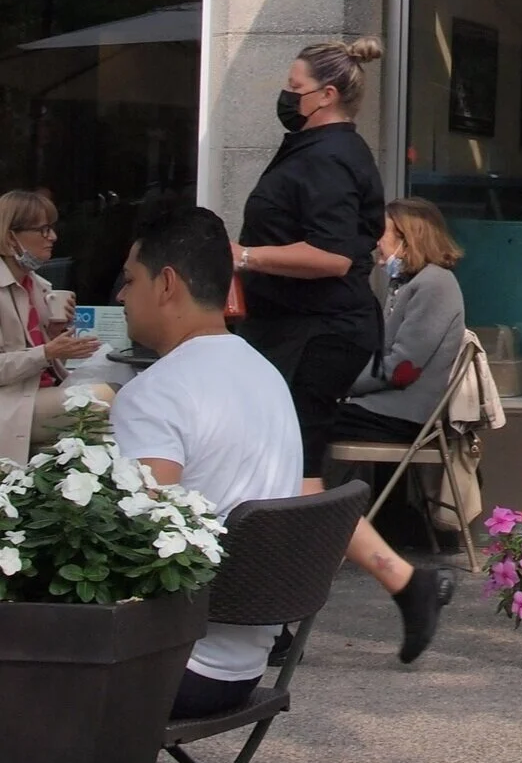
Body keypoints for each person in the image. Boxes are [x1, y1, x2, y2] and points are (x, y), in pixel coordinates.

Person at [234, 38, 453, 663]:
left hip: (317, 331)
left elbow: (333, 255)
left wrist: (242, 256)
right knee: (290, 475)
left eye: (294, 85)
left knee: (293, 476)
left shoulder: (330, 156)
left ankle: (304, 611)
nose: (285, 94)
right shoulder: (315, 147)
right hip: (300, 329)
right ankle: (395, 588)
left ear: (327, 95)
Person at [111, 206, 304, 720]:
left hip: (171, 667)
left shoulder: (155, 393)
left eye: (130, 281)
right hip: (243, 668)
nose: (121, 296)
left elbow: (139, 549)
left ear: (167, 283)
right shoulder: (266, 375)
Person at [335, 199, 467, 439]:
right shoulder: (407, 283)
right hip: (387, 408)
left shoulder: (435, 283)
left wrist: (340, 382)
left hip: (402, 415)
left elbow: (402, 368)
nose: (376, 243)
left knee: (306, 419)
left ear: (407, 238)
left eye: (381, 234)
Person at [0, 189, 103, 467]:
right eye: (43, 230)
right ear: (11, 236)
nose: (53, 237)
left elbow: (47, 361)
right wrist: (46, 352)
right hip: (10, 403)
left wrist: (60, 340)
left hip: (36, 393)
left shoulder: (39, 285)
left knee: (123, 387)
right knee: (108, 400)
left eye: (52, 228)